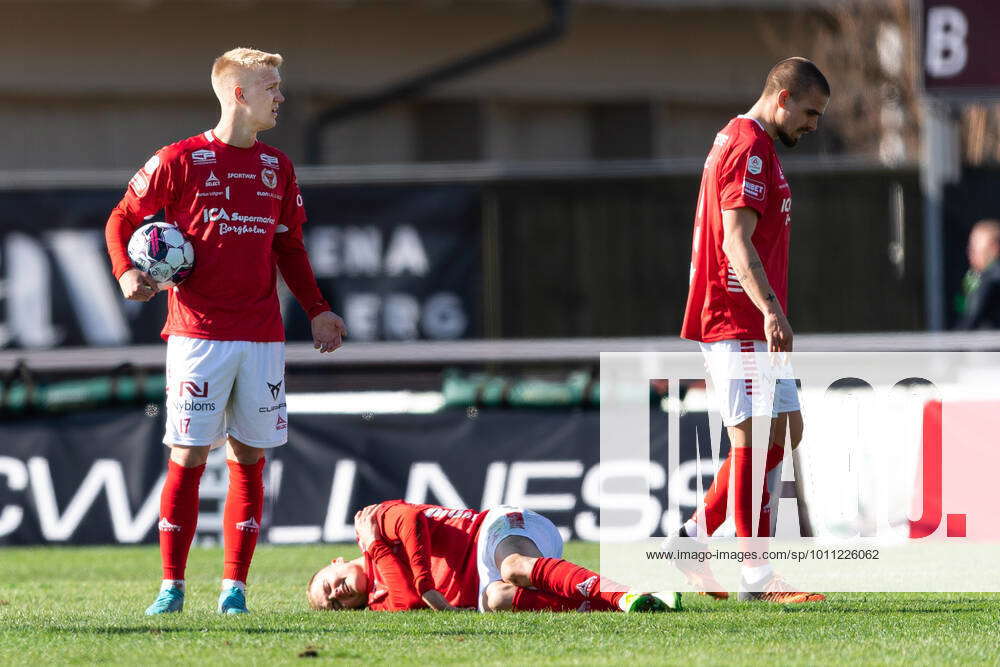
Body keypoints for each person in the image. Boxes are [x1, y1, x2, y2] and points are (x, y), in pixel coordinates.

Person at [104, 47, 347, 615]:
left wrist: (316, 309)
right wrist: (126, 273)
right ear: (238, 93)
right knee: (188, 455)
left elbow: (289, 245)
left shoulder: (277, 167)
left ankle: (234, 589)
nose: (281, 96)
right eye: (271, 87)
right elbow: (121, 218)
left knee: (250, 457)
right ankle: (172, 588)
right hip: (197, 334)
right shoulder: (180, 159)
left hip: (262, 336)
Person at [674, 57, 830, 603]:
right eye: (810, 112)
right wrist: (770, 309)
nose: (814, 124)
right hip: (736, 316)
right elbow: (735, 242)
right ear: (783, 98)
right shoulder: (749, 147)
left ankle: (692, 538)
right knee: (754, 437)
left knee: (785, 430)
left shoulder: (746, 141)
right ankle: (755, 578)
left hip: (753, 320)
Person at [306, 500, 681, 614]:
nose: (338, 593)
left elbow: (410, 520)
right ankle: (633, 603)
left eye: (328, 585)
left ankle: (623, 593)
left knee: (515, 568)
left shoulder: (369, 523)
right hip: (486, 583)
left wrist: (424, 585)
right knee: (498, 598)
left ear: (335, 562)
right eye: (335, 604)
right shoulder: (378, 600)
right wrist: (379, 551)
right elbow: (407, 603)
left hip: (493, 531)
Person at [956, 219, 1000, 330]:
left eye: (975, 248)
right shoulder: (975, 277)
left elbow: (971, 319)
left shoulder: (990, 279)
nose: (970, 252)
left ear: (995, 248)